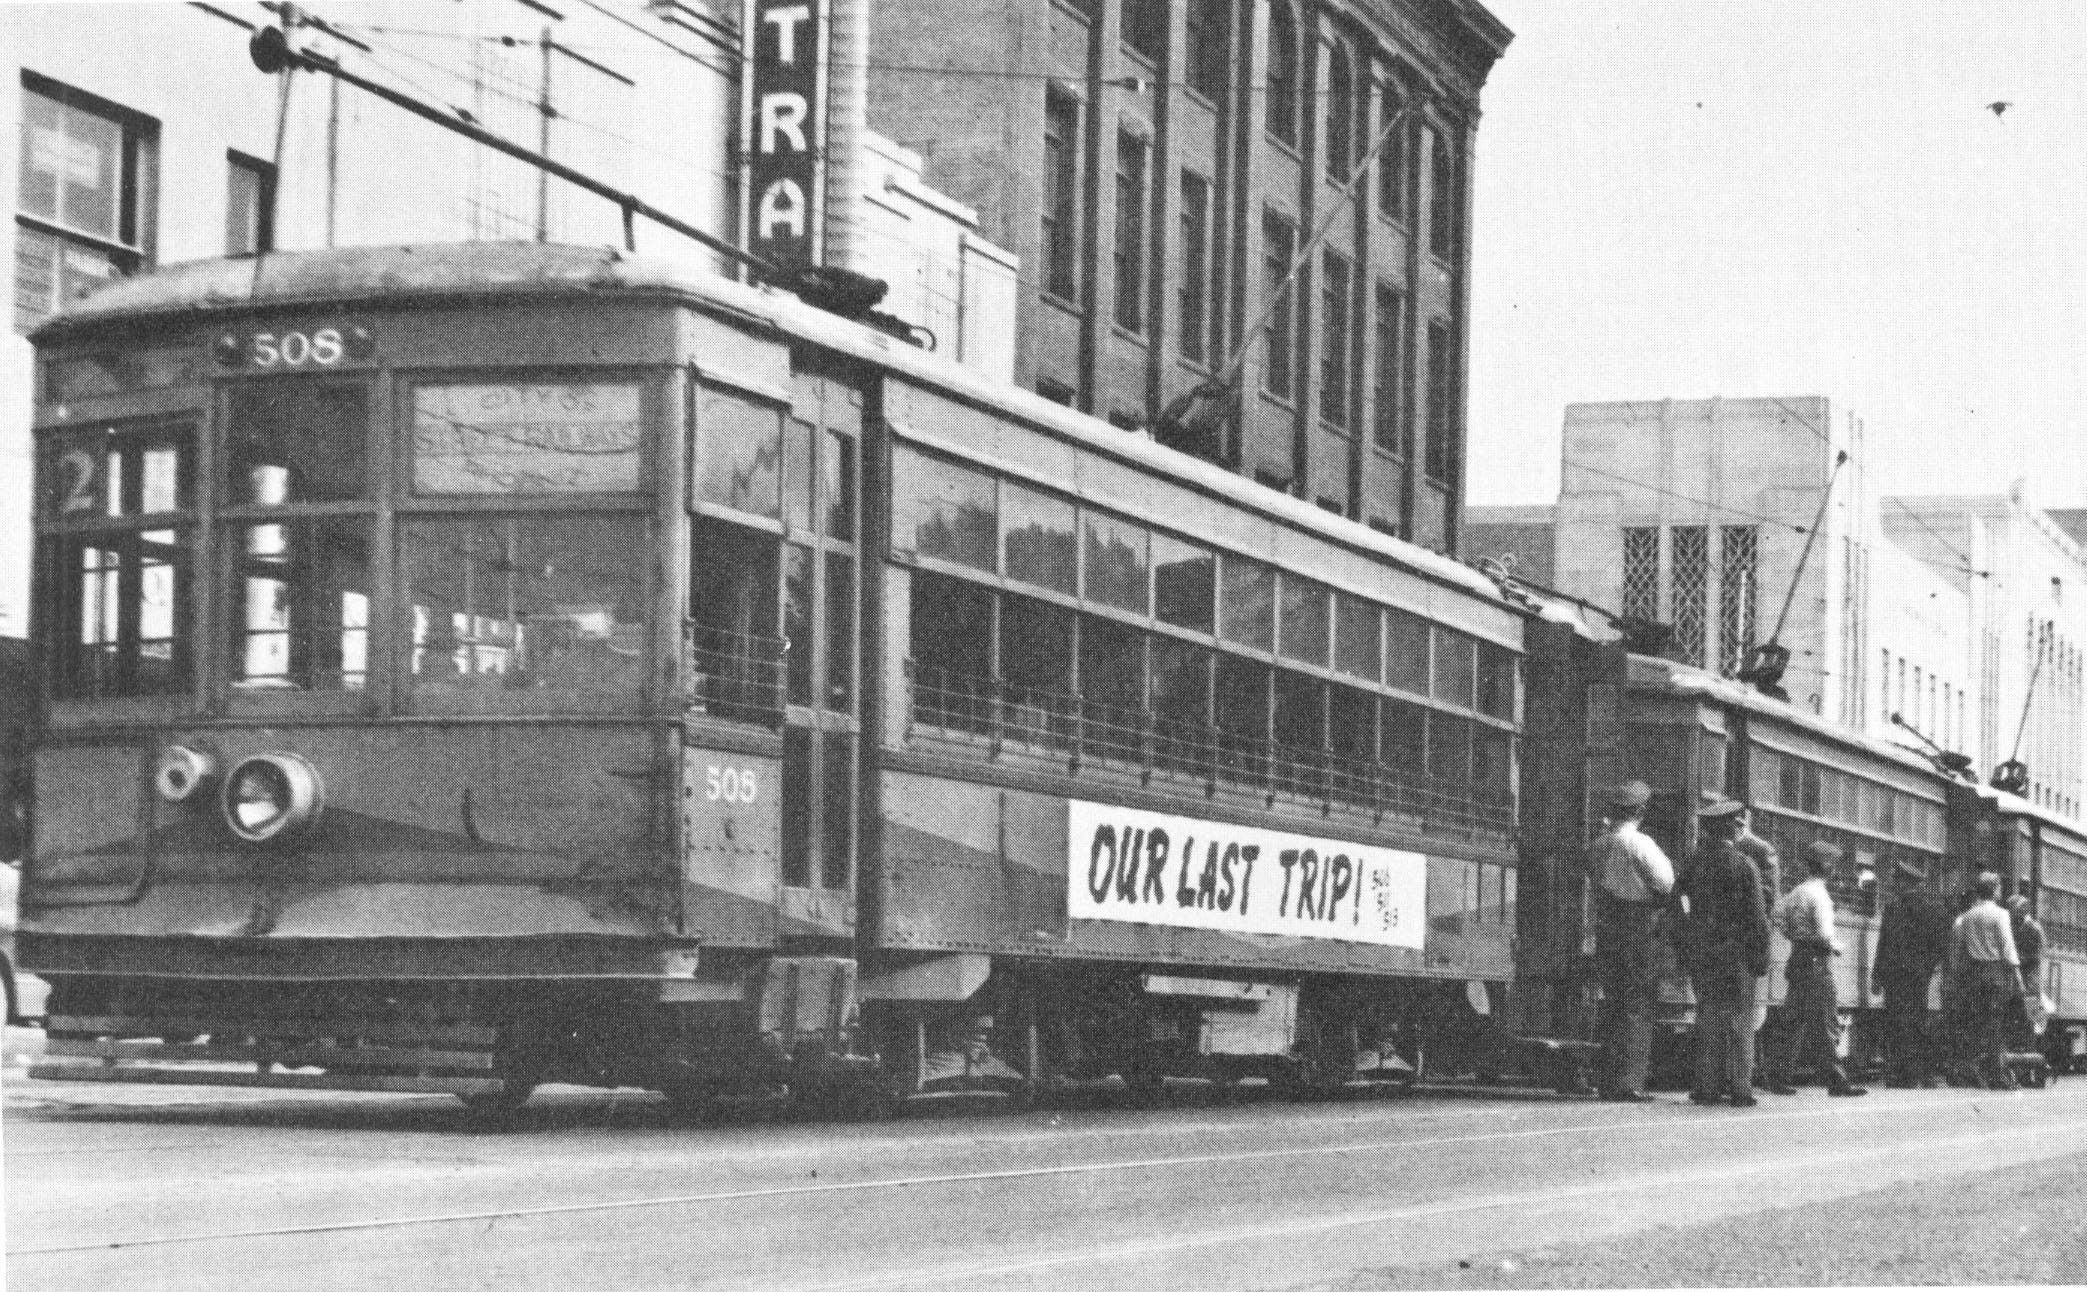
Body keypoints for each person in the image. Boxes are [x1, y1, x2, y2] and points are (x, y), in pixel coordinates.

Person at [1675, 799, 1769, 1107]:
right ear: (1731, 827)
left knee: (1709, 1017)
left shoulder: (1692, 863)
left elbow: (1679, 905)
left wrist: (1687, 940)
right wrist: (1761, 955)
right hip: (1738, 955)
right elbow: (1757, 916)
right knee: (1741, 1021)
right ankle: (1741, 1089)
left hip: (1703, 954)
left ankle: (1707, 1087)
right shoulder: (1744, 865)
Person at [1760, 841, 1867, 1096]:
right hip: (1818, 964)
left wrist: (1795, 936)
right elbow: (1824, 936)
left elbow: (1778, 917)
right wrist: (1837, 946)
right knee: (1826, 1022)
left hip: (1797, 960)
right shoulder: (1820, 896)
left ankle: (1777, 1077)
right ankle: (1837, 1082)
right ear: (1827, 867)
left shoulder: (1796, 892)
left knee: (1792, 1021)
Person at [1591, 780, 1675, 1103]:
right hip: (1638, 925)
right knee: (1637, 1003)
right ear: (1640, 810)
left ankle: (1609, 1079)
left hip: (1607, 924)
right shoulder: (1640, 844)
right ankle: (1631, 1081)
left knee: (1613, 1001)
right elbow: (1666, 882)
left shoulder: (1599, 843)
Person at [1872, 860, 1952, 1087]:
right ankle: (1919, 1073)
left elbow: (1883, 944)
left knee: (1896, 1022)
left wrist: (1876, 976)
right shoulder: (1935, 909)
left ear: (1905, 882)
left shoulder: (1892, 908)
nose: (1894, 883)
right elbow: (1942, 945)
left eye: (1897, 880)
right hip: (1920, 976)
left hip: (1894, 975)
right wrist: (1929, 967)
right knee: (1918, 1020)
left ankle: (1899, 1074)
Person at [1947, 874, 2024, 1089]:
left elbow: (1958, 949)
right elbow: (2007, 946)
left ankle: (1972, 1072)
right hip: (1995, 973)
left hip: (1972, 974)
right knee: (1995, 1024)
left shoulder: (1967, 916)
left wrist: (1956, 976)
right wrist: (2017, 976)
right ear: (1994, 889)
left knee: (1975, 1023)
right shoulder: (2000, 914)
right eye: (1999, 887)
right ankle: (1997, 1074)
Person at [2005, 893, 2046, 1050]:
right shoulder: (2022, 927)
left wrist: (2014, 959)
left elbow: (2036, 956)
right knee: (2025, 1024)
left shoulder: (2032, 929)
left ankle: (2036, 1062)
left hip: (2029, 984)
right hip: (2024, 984)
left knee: (2032, 1024)